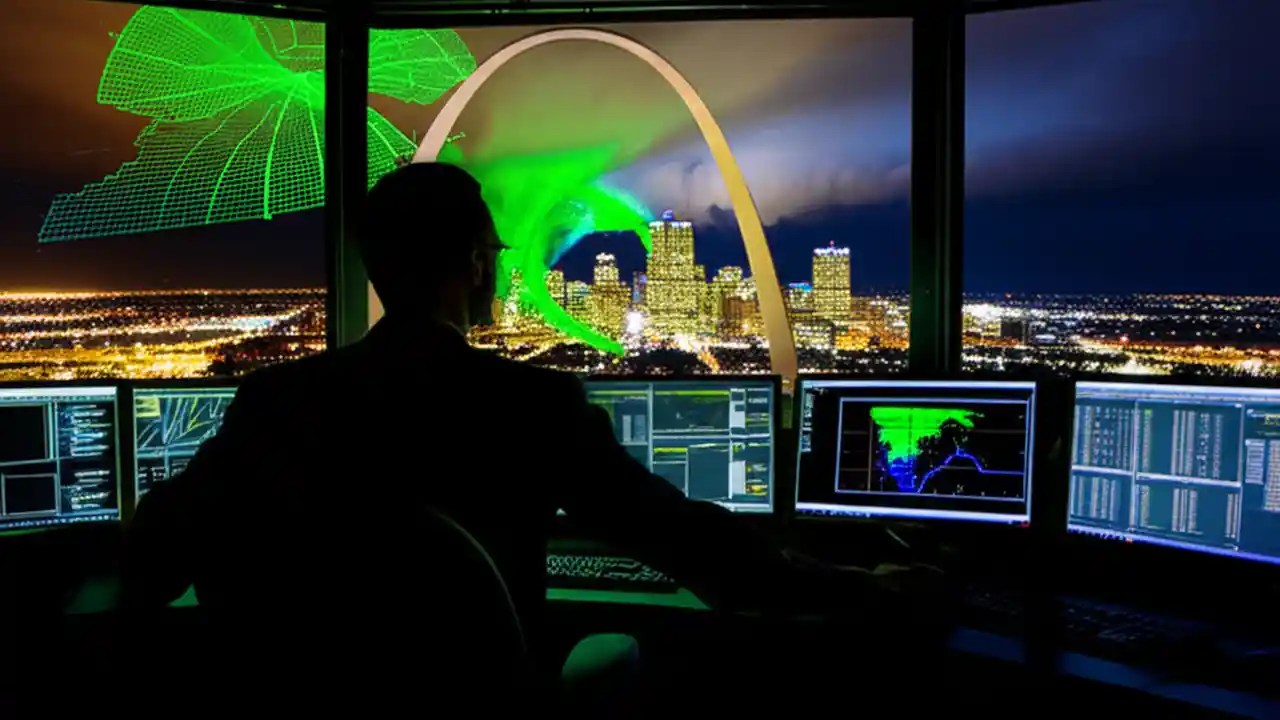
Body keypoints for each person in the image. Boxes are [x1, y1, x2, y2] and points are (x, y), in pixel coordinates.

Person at [123, 163, 936, 707]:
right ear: (477, 266)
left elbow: (158, 552)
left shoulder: (276, 400)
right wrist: (859, 586)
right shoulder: (530, 404)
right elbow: (688, 543)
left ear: (374, 267)